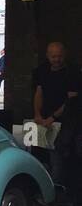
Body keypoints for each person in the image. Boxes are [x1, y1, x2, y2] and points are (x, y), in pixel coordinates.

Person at [32, 41, 82, 190]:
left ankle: (55, 188)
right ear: (47, 56)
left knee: (57, 153)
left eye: (59, 56)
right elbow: (38, 93)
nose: (56, 60)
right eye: (53, 56)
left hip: (66, 120)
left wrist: (53, 117)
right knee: (39, 151)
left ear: (64, 55)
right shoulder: (42, 71)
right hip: (45, 118)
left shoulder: (72, 73)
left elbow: (71, 101)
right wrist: (37, 114)